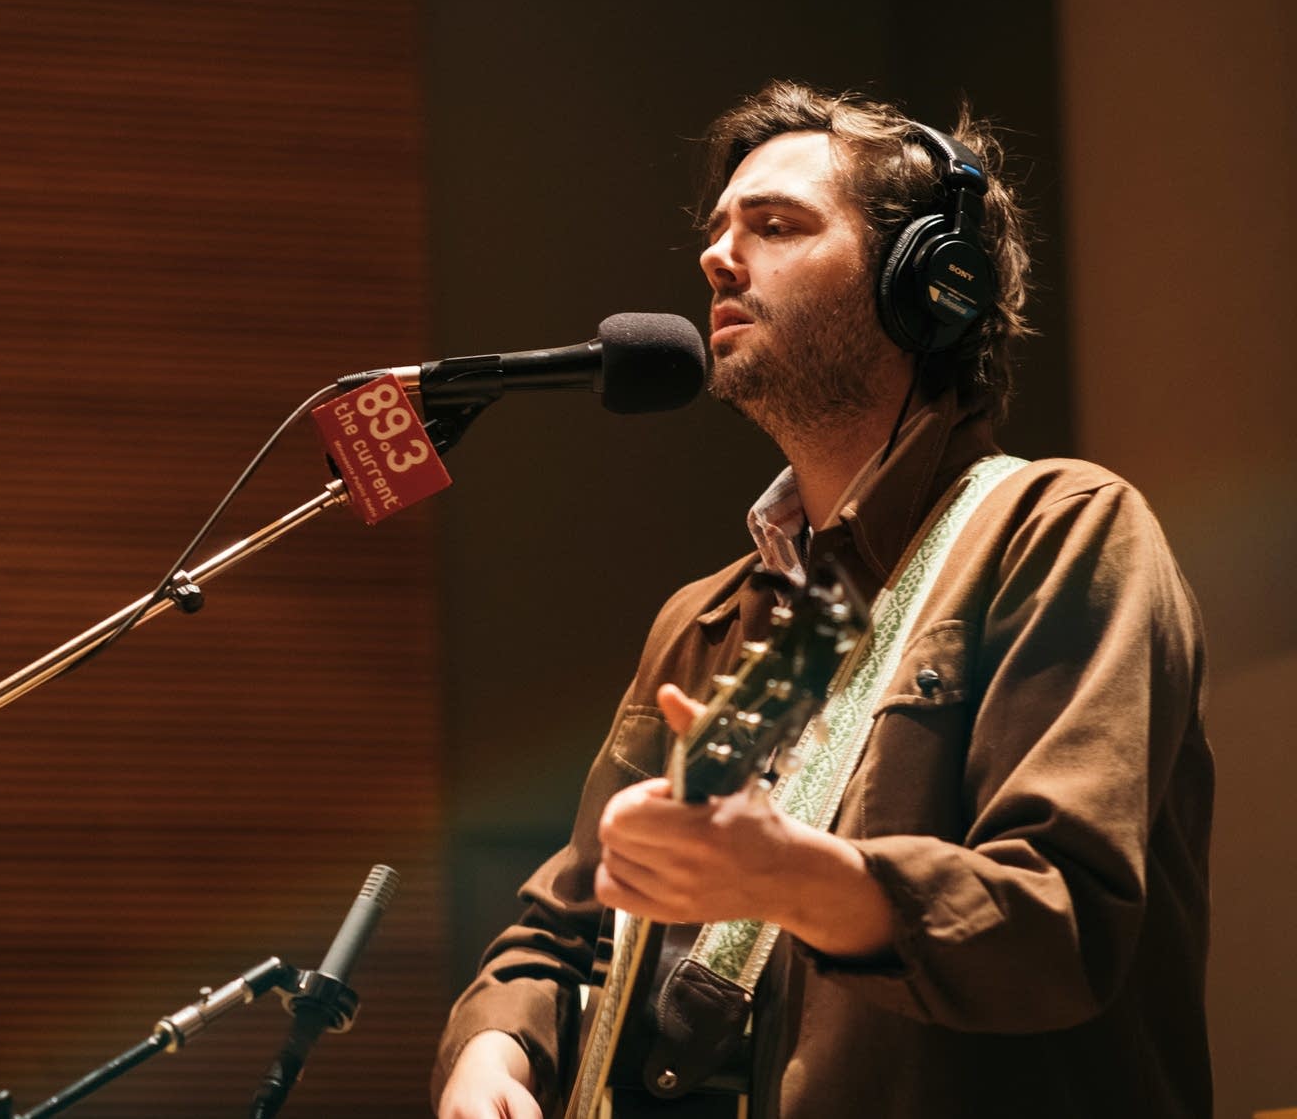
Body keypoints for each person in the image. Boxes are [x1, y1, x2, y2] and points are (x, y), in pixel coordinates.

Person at [432, 82, 1213, 1119]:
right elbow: (567, 924)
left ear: (925, 282)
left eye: (775, 225)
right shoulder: (711, 619)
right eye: (718, 228)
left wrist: (794, 877)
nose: (716, 257)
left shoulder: (1057, 530)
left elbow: (1057, 924)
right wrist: (494, 1047)